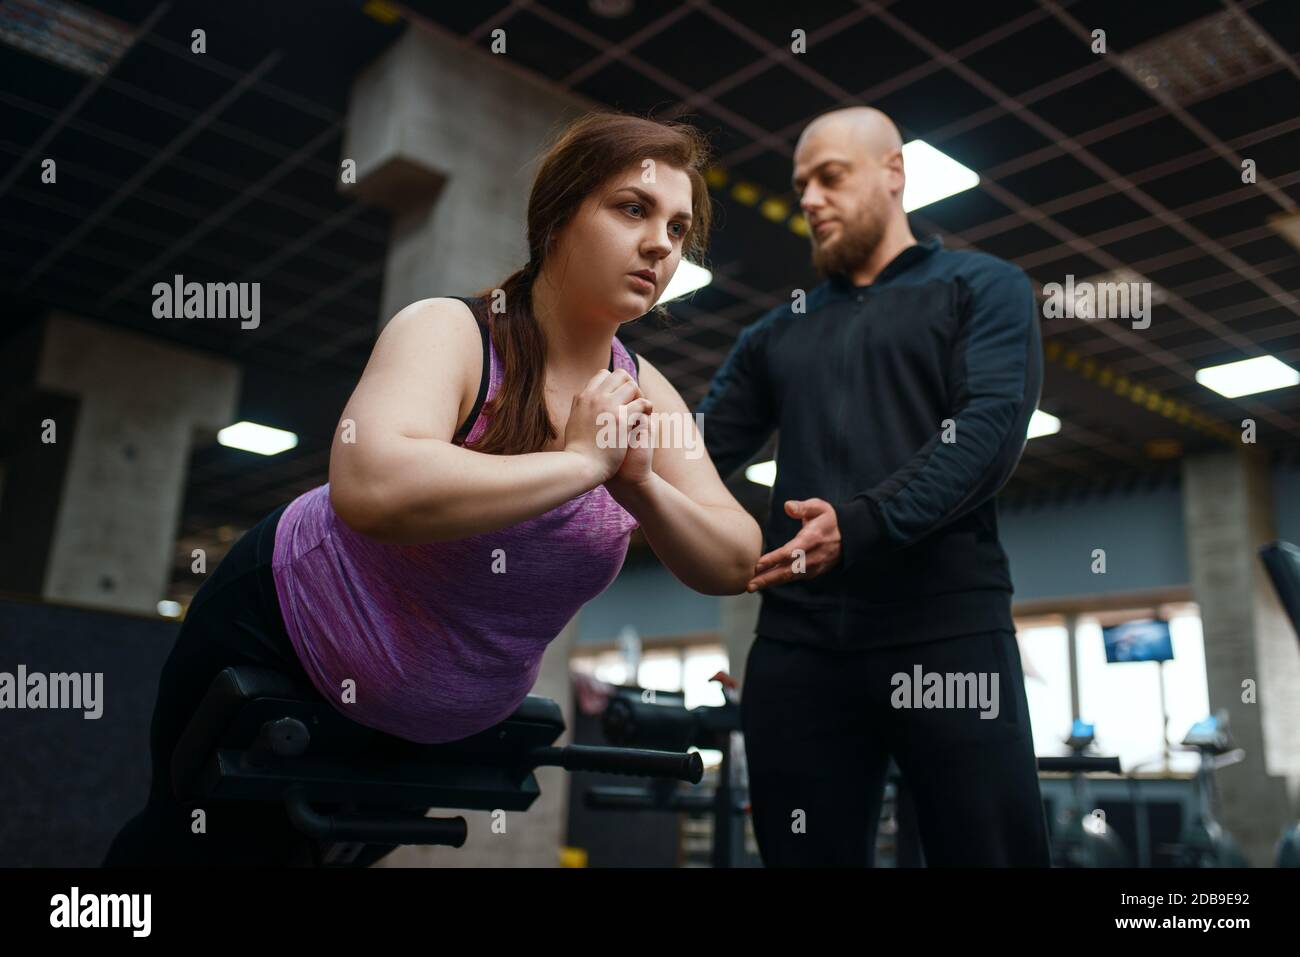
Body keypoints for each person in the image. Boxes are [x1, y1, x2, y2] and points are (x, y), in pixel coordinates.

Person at [104, 111, 762, 867]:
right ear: (557, 217)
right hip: (280, 638)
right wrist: (581, 465)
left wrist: (642, 487)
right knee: (185, 855)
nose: (661, 244)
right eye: (633, 209)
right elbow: (374, 485)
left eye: (679, 230)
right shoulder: (452, 334)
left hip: (422, 725)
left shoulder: (651, 396)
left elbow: (736, 555)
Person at [699, 107, 1050, 866]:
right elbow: (691, 451)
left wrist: (859, 524)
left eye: (830, 177)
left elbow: (988, 430)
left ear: (894, 172)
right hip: (798, 645)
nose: (810, 200)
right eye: (800, 188)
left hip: (946, 633)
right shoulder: (775, 332)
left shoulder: (983, 287)